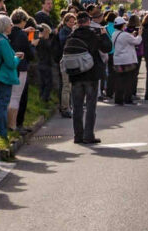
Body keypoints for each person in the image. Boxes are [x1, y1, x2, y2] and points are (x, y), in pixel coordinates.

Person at [65, 11, 111, 144]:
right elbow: (107, 48)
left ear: (77, 22)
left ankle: (77, 135)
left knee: (77, 107)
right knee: (91, 106)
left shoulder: (71, 35)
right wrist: (104, 35)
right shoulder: (93, 35)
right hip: (91, 74)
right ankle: (88, 135)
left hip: (75, 74)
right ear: (88, 21)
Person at [0, 16, 22, 139]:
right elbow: (11, 63)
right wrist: (18, 57)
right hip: (4, 76)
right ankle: (1, 132)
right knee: (2, 105)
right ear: (4, 26)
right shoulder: (3, 41)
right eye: (10, 24)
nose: (12, 26)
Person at [7, 9, 36, 134]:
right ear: (23, 21)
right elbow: (30, 54)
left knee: (10, 96)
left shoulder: (8, 32)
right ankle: (16, 124)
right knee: (19, 96)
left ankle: (10, 124)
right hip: (21, 67)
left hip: (9, 66)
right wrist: (33, 44)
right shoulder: (22, 36)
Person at [110, 17, 142, 105]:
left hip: (117, 60)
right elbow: (137, 41)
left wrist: (131, 35)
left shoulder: (114, 34)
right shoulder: (125, 35)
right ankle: (128, 99)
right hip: (127, 61)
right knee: (129, 80)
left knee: (119, 80)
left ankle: (118, 100)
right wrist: (139, 34)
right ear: (122, 25)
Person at [56, 12, 76, 117]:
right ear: (66, 21)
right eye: (70, 22)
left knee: (69, 85)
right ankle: (65, 108)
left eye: (73, 22)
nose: (72, 23)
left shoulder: (68, 30)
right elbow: (63, 41)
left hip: (69, 59)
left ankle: (68, 106)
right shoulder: (64, 31)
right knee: (66, 85)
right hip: (65, 59)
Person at [36, 24, 56, 103]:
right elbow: (51, 48)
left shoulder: (37, 40)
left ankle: (42, 97)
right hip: (46, 63)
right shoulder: (44, 42)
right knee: (48, 82)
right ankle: (45, 98)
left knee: (42, 82)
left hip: (40, 63)